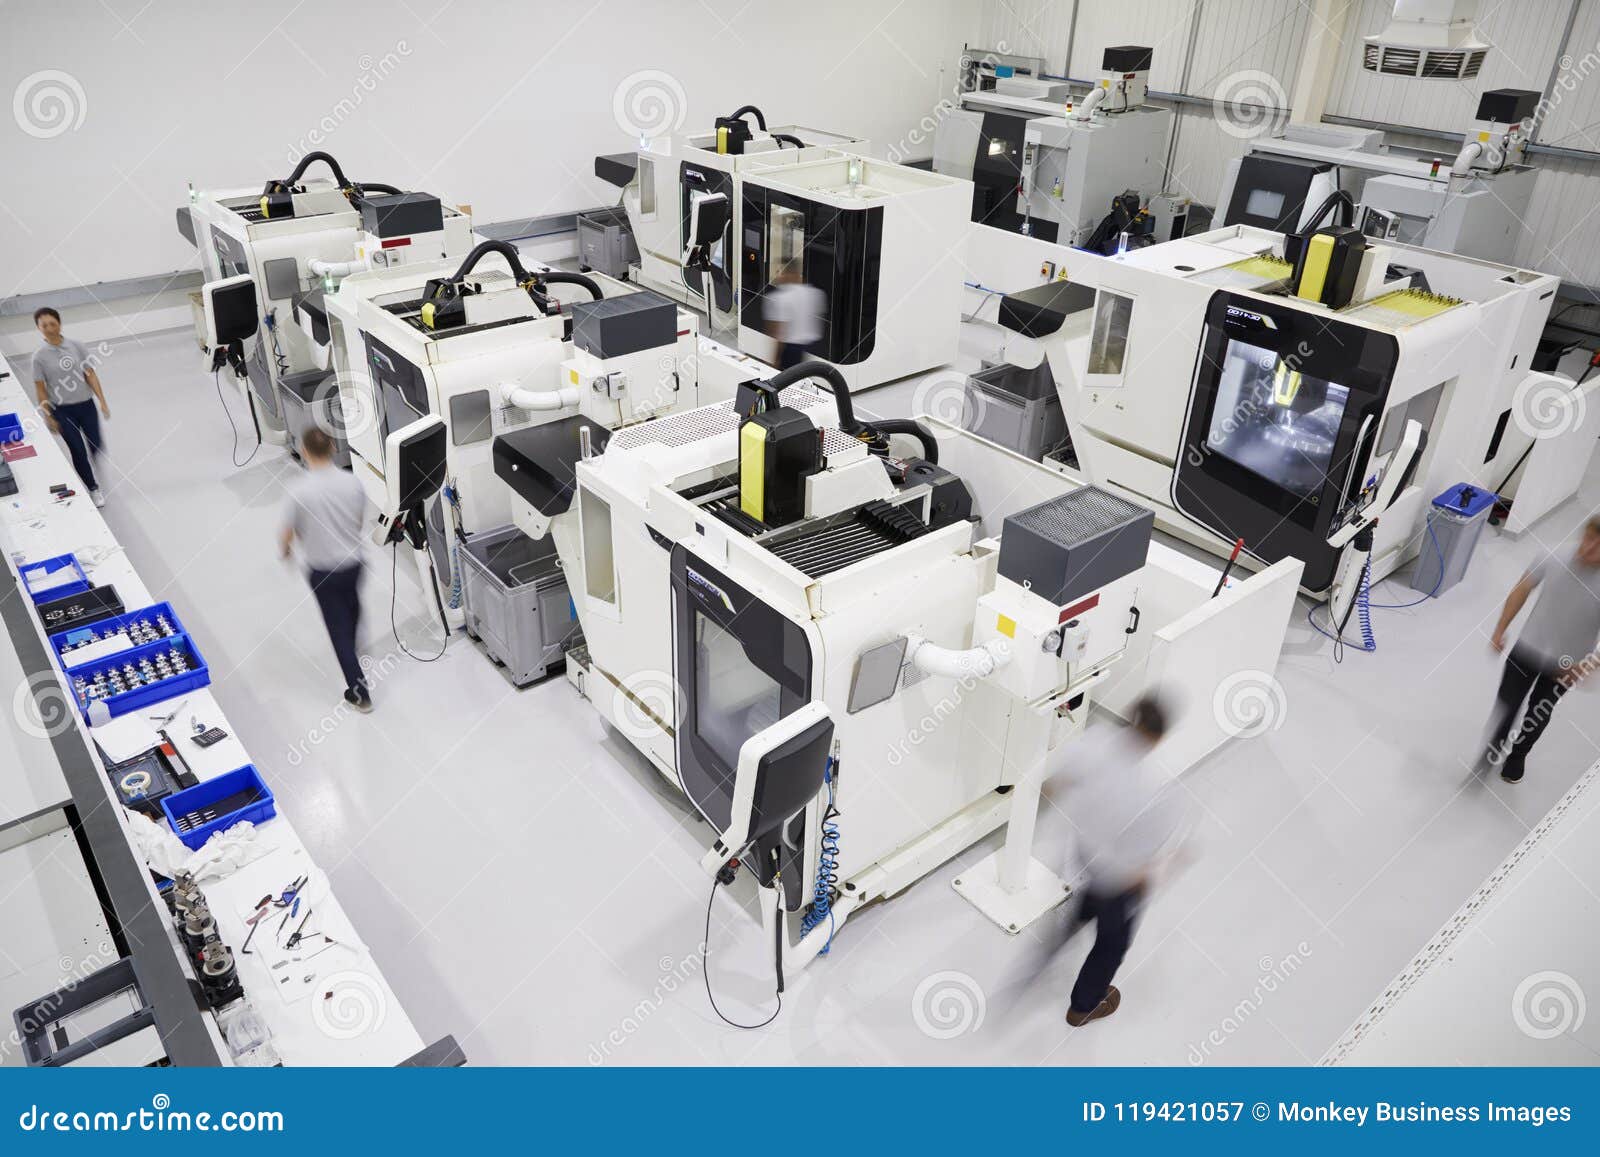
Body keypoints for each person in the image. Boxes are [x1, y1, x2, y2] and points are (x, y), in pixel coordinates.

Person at [1054, 694, 1187, 1028]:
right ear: (1158, 738)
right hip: (1115, 882)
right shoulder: (1155, 791)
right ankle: (1083, 1006)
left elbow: (1056, 783)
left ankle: (1071, 925)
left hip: (1083, 857)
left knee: (1086, 904)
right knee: (1112, 945)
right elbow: (1144, 861)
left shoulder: (1094, 742)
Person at [1486, 515, 1600, 782]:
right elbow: (1522, 589)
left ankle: (1517, 757)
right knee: (1507, 703)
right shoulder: (1554, 553)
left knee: (1539, 711)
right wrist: (1501, 628)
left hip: (1567, 663)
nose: (1589, 549)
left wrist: (1588, 665)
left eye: (1599, 546)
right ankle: (1493, 747)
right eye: (1589, 539)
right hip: (1527, 647)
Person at [279, 427, 373, 713]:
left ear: (305, 452)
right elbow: (358, 521)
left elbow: (287, 535)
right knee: (353, 607)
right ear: (333, 447)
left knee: (338, 630)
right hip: (354, 564)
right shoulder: (353, 483)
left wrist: (286, 555)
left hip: (323, 571)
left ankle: (360, 693)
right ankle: (353, 648)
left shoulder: (299, 491)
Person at [31, 307, 111, 507]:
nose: (49, 328)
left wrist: (102, 400)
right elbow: (40, 389)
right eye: (44, 325)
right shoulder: (39, 357)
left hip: (86, 405)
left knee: (95, 443)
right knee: (77, 450)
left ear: (60, 324)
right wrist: (48, 416)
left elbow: (90, 374)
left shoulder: (77, 346)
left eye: (53, 324)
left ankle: (94, 457)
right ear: (39, 328)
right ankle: (93, 488)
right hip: (62, 410)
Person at [764, 268, 827, 369]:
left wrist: (775, 360)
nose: (779, 276)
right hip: (809, 347)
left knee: (785, 377)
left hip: (790, 349)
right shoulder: (815, 293)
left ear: (790, 275)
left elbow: (779, 334)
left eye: (781, 273)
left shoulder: (782, 297)